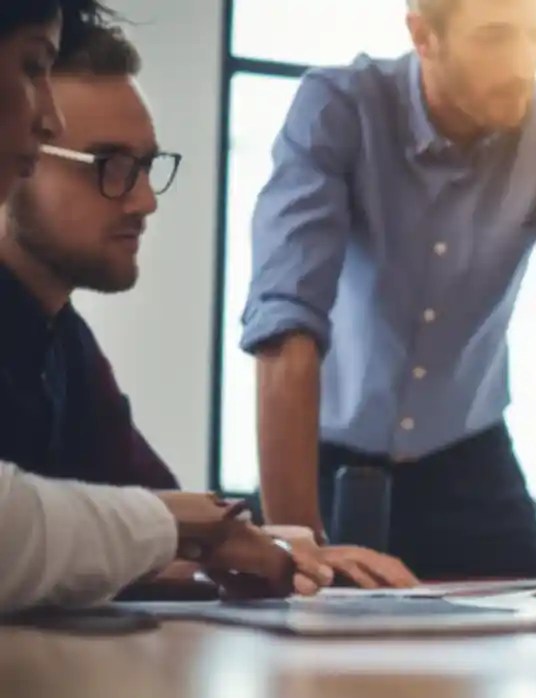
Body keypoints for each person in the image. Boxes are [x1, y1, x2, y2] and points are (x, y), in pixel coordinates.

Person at [244, 0, 536, 586]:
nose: (523, 61)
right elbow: (287, 316)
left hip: (468, 457)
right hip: (321, 457)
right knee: (293, 642)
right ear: (424, 35)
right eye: (496, 37)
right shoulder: (339, 106)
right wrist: (298, 542)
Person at [0, 3, 327, 613]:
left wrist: (279, 548)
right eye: (111, 168)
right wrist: (188, 534)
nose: (145, 201)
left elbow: (170, 521)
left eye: (146, 167)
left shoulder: (65, 345)